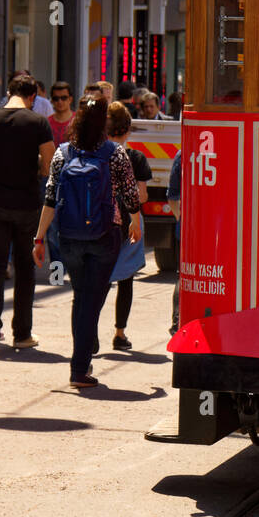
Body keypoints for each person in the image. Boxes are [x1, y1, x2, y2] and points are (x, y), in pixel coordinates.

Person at [34, 96, 140, 389]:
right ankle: (79, 368)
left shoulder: (64, 153)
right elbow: (131, 195)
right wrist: (136, 221)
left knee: (81, 296)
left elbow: (50, 197)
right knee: (92, 300)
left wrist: (39, 238)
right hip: (105, 234)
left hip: (69, 236)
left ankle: (82, 357)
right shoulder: (115, 153)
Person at [0, 76, 54, 353]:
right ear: (32, 97)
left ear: (8, 93)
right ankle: (22, 334)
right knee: (25, 269)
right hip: (27, 204)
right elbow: (49, 164)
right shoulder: (38, 122)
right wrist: (33, 166)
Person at [105, 101, 151, 350]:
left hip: (100, 223)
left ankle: (88, 334)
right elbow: (142, 196)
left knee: (99, 282)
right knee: (126, 280)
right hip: (130, 224)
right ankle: (120, 333)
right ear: (128, 130)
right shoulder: (135, 158)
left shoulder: (96, 155)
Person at [167, 151, 181, 337]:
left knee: (182, 275)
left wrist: (181, 220)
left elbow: (172, 197)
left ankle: (177, 322)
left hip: (188, 230)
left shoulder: (182, 154)